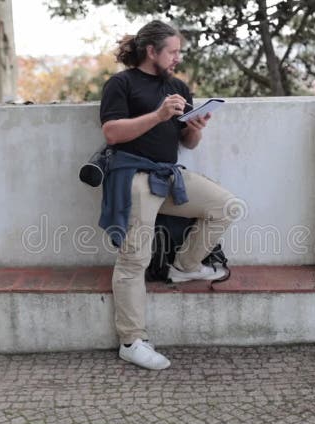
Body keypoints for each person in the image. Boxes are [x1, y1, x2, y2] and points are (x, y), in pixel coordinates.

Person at [98, 20, 237, 370]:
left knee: (226, 206)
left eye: (179, 52)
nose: (177, 58)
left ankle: (184, 266)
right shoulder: (121, 83)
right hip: (133, 175)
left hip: (168, 175)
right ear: (151, 51)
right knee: (134, 258)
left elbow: (185, 143)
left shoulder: (178, 87)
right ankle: (131, 341)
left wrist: (195, 129)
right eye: (172, 51)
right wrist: (158, 114)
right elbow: (112, 133)